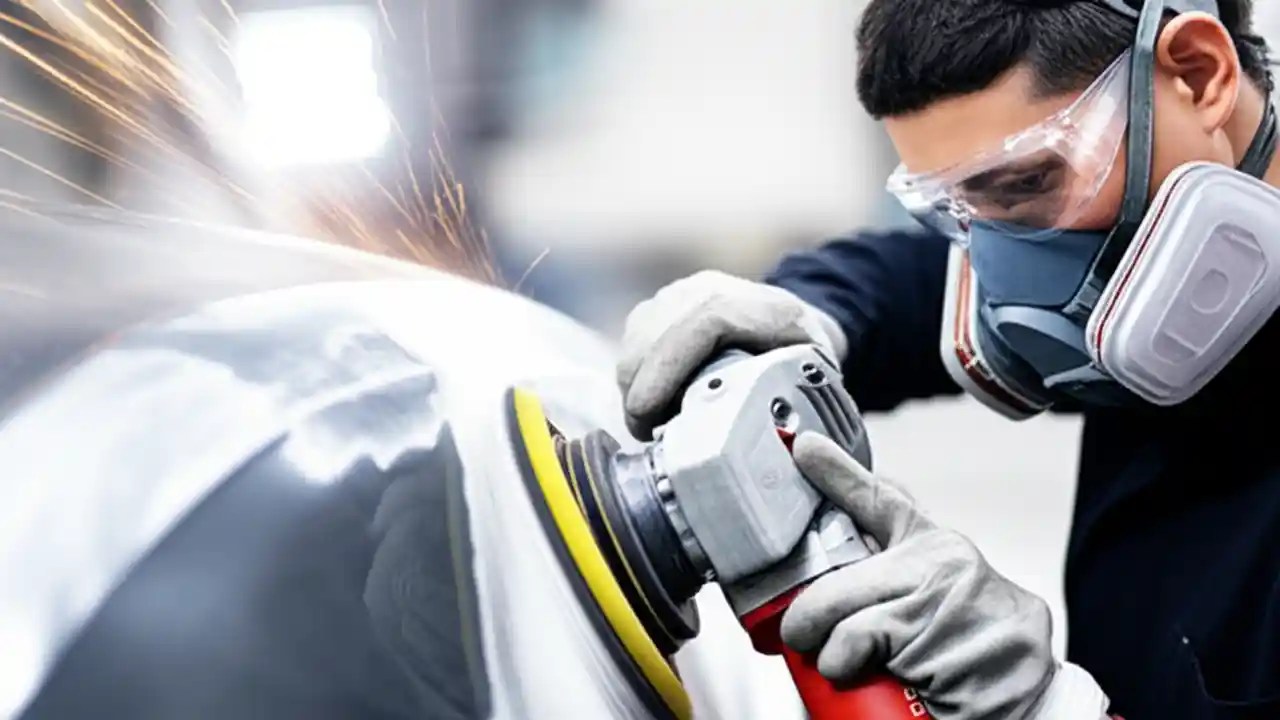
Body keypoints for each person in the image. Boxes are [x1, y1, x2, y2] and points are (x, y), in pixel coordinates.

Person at [616, 1, 1280, 718]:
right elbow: (906, 283)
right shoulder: (1174, 284)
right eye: (958, 208)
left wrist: (1049, 708)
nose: (998, 265)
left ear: (1199, 74)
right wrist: (799, 320)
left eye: (1025, 184)